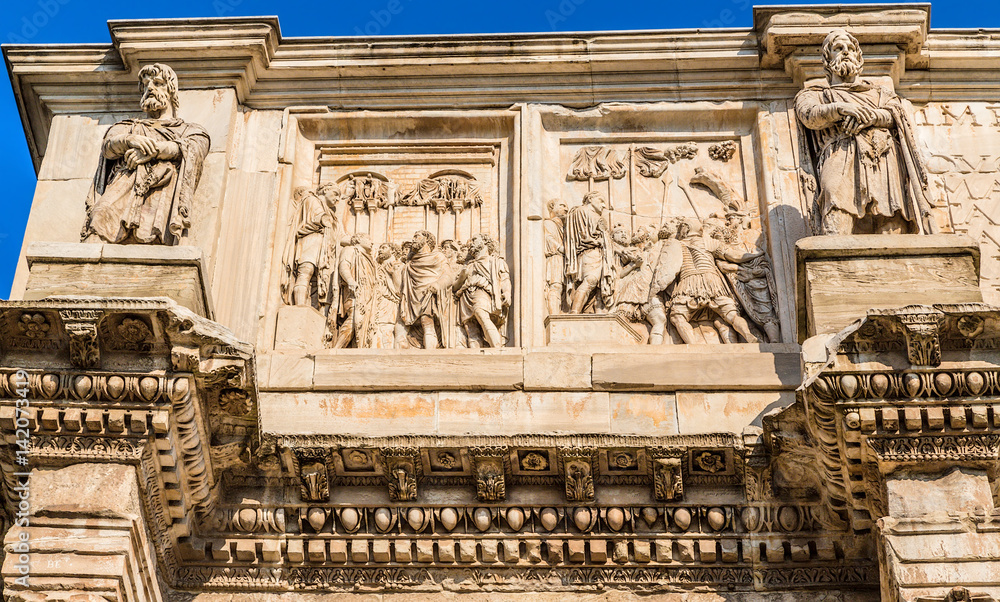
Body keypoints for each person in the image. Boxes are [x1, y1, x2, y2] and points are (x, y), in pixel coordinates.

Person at [795, 29, 935, 235]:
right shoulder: (815, 94)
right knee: (835, 210)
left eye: (851, 49)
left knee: (891, 222)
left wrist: (871, 116)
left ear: (859, 58)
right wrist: (840, 108)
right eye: (838, 48)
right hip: (839, 155)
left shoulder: (880, 93)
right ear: (827, 58)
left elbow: (896, 115)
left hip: (884, 157)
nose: (845, 52)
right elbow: (809, 115)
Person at [82, 63, 210, 245]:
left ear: (172, 89)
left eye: (157, 83)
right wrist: (129, 140)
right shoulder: (129, 127)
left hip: (160, 192)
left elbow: (195, 147)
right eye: (146, 84)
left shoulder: (189, 130)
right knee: (100, 215)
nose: (150, 87)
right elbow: (108, 146)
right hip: (123, 186)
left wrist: (154, 151)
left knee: (155, 236)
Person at [648, 218, 761, 345]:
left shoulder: (676, 244)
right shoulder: (710, 242)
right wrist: (755, 255)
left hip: (688, 283)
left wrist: (655, 289)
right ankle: (747, 334)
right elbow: (733, 255)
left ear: (687, 228)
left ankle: (692, 344)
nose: (680, 231)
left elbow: (668, 269)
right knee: (731, 315)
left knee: (677, 317)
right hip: (713, 282)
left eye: (682, 228)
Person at [280, 186, 340, 307]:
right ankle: (299, 305)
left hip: (322, 245)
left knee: (316, 279)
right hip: (310, 240)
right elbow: (318, 218)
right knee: (306, 271)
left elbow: (339, 235)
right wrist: (326, 220)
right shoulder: (312, 200)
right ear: (326, 190)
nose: (337, 199)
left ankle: (309, 306)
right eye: (335, 193)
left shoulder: (328, 211)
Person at [395, 230, 451, 349]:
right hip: (411, 297)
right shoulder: (410, 262)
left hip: (428, 294)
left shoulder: (438, 257)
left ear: (426, 239)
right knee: (401, 325)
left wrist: (437, 284)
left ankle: (429, 356)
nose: (413, 239)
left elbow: (448, 276)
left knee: (427, 323)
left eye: (417, 236)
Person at [454, 234, 511, 348]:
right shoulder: (469, 265)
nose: (471, 243)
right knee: (470, 328)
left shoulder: (495, 261)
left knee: (481, 314)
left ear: (485, 242)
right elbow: (455, 287)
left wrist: (507, 292)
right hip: (466, 295)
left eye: (475, 240)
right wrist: (462, 277)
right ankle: (475, 354)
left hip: (482, 291)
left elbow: (504, 278)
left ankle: (497, 347)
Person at [564, 191, 615, 313]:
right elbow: (584, 235)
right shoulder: (583, 211)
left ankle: (589, 311)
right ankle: (575, 311)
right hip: (590, 252)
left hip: (595, 253)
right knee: (591, 280)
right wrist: (600, 240)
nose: (603, 205)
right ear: (590, 199)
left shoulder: (587, 213)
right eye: (601, 200)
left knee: (595, 284)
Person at [329, 233, 378, 348]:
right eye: (368, 238)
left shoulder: (369, 258)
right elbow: (344, 266)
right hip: (355, 292)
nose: (371, 242)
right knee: (354, 319)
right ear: (359, 239)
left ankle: (358, 347)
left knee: (361, 322)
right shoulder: (350, 250)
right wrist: (350, 280)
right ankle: (337, 348)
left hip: (367, 295)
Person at [543, 199, 568, 315]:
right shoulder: (549, 223)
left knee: (563, 290)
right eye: (562, 205)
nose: (566, 209)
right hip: (556, 258)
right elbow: (549, 239)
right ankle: (554, 315)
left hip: (565, 259)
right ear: (552, 207)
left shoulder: (564, 227)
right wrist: (561, 248)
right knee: (556, 286)